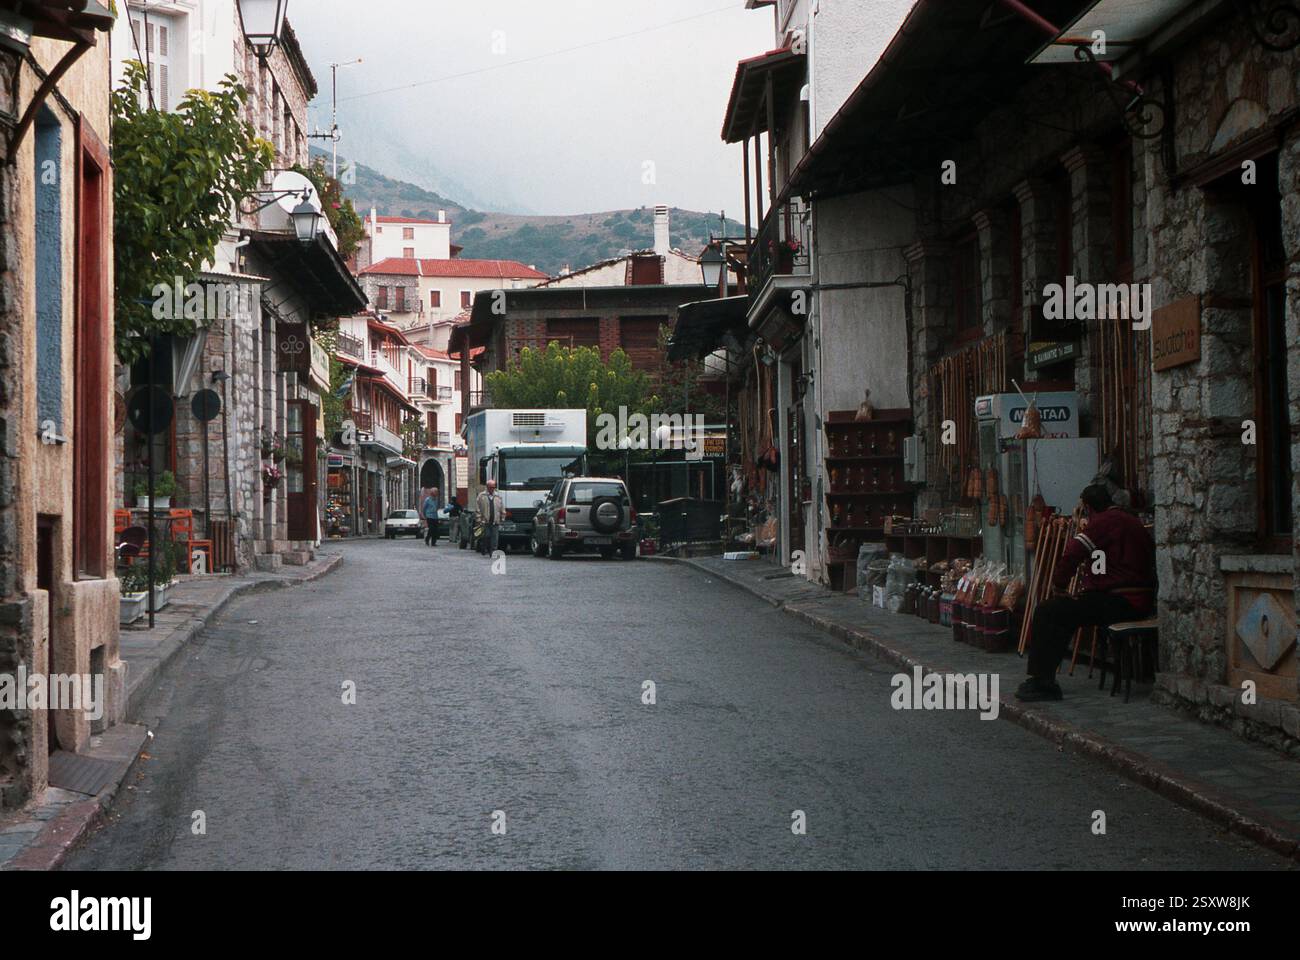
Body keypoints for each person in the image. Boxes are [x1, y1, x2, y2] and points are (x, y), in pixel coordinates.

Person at [1016, 484, 1156, 702]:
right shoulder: (1132, 521)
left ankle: (1043, 682)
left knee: (1048, 612)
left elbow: (1073, 552)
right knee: (1067, 612)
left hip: (1119, 600)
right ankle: (1044, 678)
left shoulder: (1103, 523)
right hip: (1141, 599)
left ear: (1089, 508)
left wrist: (1059, 586)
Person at [475, 479, 505, 556]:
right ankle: (484, 547)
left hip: (495, 520)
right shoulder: (482, 496)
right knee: (486, 536)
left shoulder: (498, 496)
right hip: (485, 520)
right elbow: (477, 508)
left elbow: (502, 508)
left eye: (493, 487)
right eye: (491, 487)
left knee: (495, 538)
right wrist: (478, 518)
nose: (492, 489)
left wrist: (502, 517)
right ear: (487, 487)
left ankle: (493, 552)